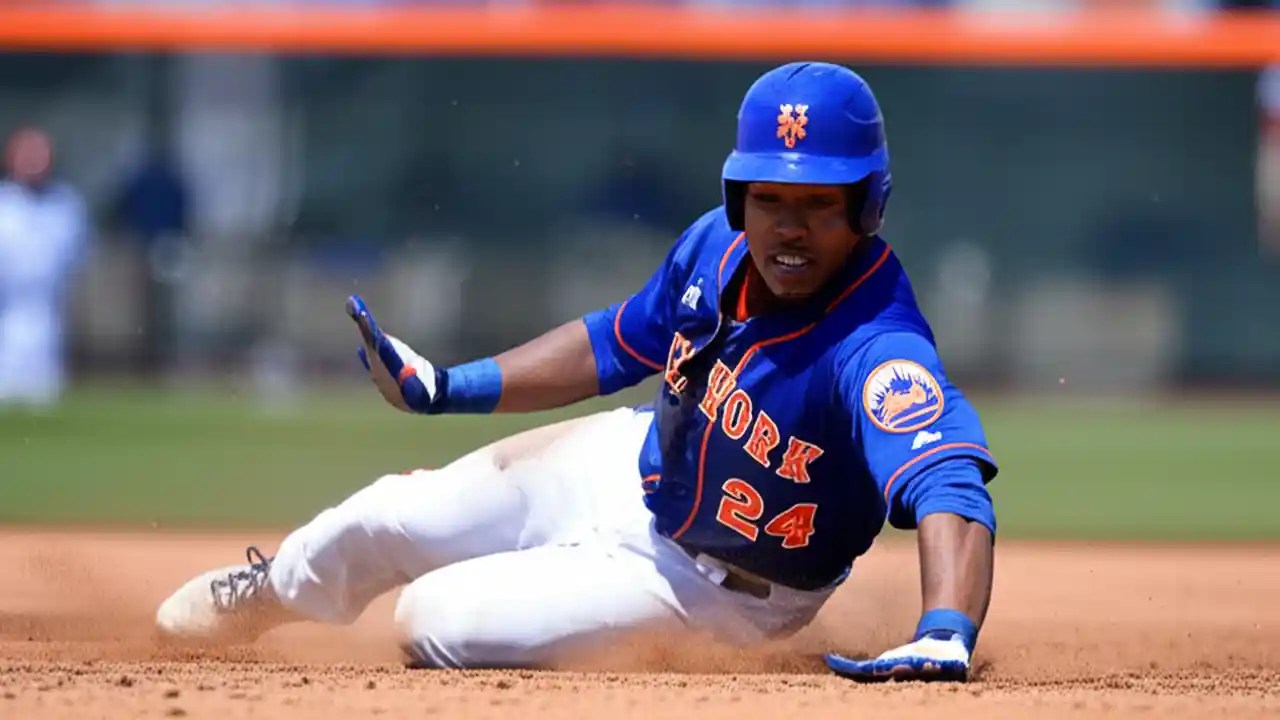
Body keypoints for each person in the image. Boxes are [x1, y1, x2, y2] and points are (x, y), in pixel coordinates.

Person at [156, 62, 999, 683]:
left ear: (867, 207)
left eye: (819, 202)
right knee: (385, 515)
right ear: (739, 197)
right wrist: (449, 388)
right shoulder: (714, 246)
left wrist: (946, 627)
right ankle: (274, 591)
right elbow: (612, 344)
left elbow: (950, 483)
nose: (789, 225)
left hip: (720, 591)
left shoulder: (875, 345)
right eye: (770, 197)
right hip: (627, 467)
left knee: (432, 618)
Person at [0, 127, 91, 409]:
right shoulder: (4, 205)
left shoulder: (66, 205)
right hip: (6, 313)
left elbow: (79, 256)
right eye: (27, 154)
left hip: (49, 315)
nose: (34, 162)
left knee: (44, 399)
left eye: (40, 155)